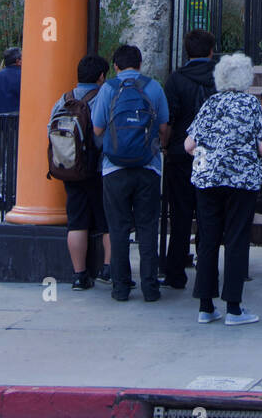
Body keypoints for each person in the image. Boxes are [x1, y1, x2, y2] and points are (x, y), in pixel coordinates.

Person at [185, 53, 262, 326]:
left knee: (208, 240)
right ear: (246, 78)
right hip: (241, 182)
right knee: (236, 239)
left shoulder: (210, 103)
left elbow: (189, 145)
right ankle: (234, 308)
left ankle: (205, 305)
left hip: (207, 180)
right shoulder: (251, 104)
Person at [91, 44, 169, 303]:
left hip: (114, 169)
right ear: (140, 64)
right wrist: (159, 147)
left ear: (115, 66)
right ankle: (150, 288)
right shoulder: (154, 87)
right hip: (148, 168)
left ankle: (121, 287)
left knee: (118, 229)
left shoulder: (108, 89)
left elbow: (98, 128)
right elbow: (164, 127)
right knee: (148, 228)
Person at [47, 54, 112, 290]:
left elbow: (50, 130)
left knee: (76, 223)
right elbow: (101, 133)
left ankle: (79, 275)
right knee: (107, 222)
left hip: (70, 170)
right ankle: (107, 268)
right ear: (101, 76)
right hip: (97, 170)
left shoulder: (63, 100)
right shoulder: (101, 96)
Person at [161, 29, 217, 289]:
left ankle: (175, 272)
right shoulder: (218, 77)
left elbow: (169, 119)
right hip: (213, 156)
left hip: (180, 154)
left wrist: (166, 145)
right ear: (211, 51)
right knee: (209, 216)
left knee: (180, 215)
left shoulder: (175, 80)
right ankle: (208, 273)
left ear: (186, 52)